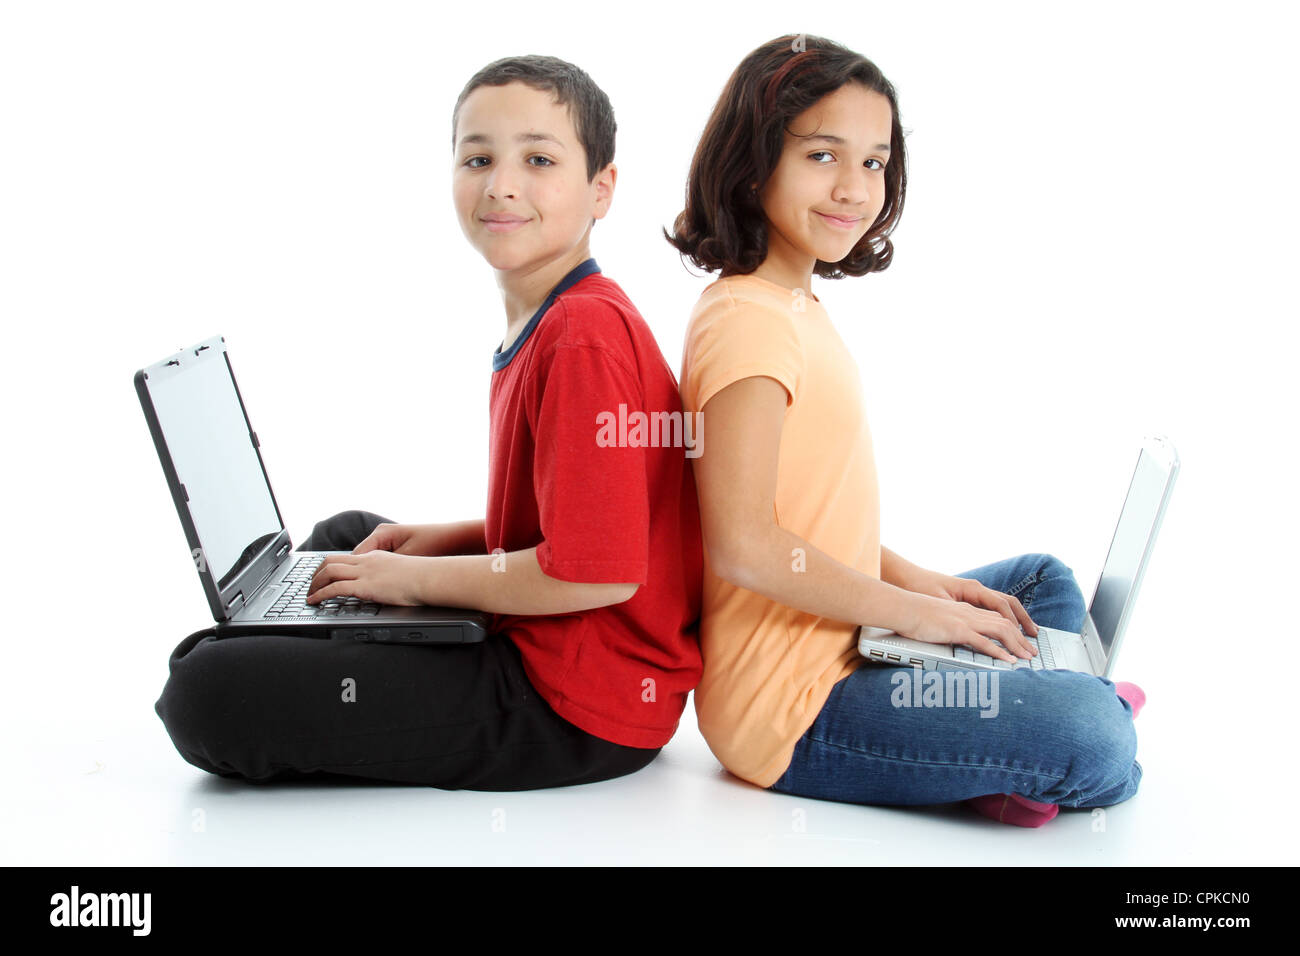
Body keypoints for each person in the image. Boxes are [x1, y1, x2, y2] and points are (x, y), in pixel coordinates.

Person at [154, 55, 703, 791]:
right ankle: (311, 634)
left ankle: (292, 654)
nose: (502, 183)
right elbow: (566, 520)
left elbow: (596, 571)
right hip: (551, 647)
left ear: (602, 188)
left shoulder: (581, 335)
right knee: (349, 536)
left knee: (203, 689)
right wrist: (438, 549)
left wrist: (415, 584)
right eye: (478, 157)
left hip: (574, 705)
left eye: (538, 159)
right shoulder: (554, 316)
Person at [666, 34, 1143, 827]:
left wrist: (926, 589)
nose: (854, 188)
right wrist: (915, 615)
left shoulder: (791, 304)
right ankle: (1056, 726)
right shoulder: (748, 324)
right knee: (1094, 739)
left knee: (1038, 584)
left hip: (850, 640)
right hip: (798, 708)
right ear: (753, 163)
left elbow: (808, 519)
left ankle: (1009, 749)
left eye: (875, 162)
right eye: (824, 155)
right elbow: (745, 544)